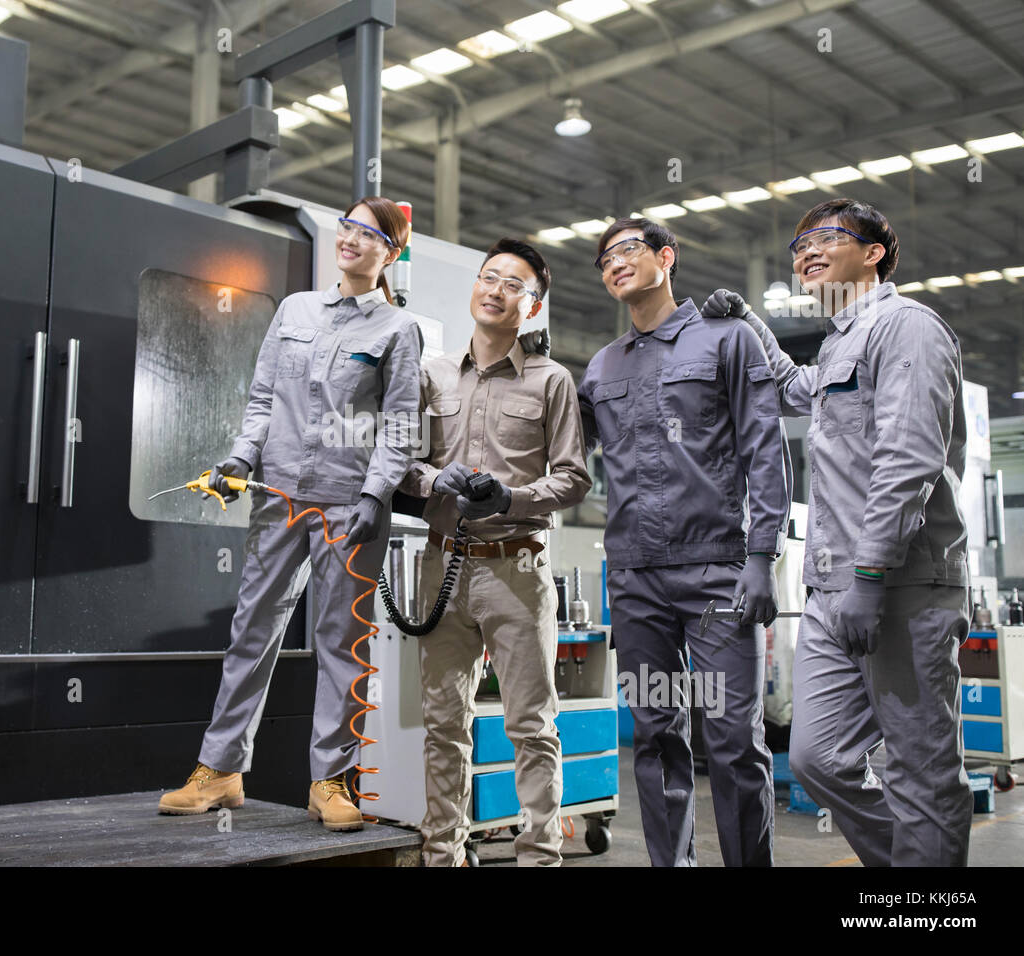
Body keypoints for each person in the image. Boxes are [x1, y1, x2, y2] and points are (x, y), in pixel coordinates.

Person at [701, 197, 973, 866]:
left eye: (824, 238)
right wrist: (752, 324)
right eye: (797, 248)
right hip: (830, 592)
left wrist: (871, 578)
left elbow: (909, 463)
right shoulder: (840, 342)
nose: (805, 253)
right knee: (819, 760)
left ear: (874, 252)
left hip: (901, 586)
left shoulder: (907, 327)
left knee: (921, 769)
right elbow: (795, 386)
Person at [158, 197, 423, 831]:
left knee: (341, 644)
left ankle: (330, 783)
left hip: (348, 504)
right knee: (251, 632)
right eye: (347, 227)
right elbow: (262, 397)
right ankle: (219, 770)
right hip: (277, 496)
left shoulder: (396, 329)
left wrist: (374, 495)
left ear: (390, 252)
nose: (351, 238)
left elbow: (402, 424)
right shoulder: (296, 310)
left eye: (368, 232)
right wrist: (241, 460)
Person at [576, 217, 791, 867]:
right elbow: (560, 455)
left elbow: (765, 447)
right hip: (637, 580)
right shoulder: (601, 365)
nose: (614, 262)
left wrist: (761, 555)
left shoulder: (727, 339)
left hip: (716, 574)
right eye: (603, 256)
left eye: (628, 250)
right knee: (655, 734)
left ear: (665, 258)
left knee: (731, 739)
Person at [399, 238, 591, 866]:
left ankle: (539, 857)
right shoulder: (432, 375)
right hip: (442, 566)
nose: (496, 289)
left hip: (518, 566)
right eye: (489, 277)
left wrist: (509, 498)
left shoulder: (552, 381)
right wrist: (435, 482)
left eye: (514, 284)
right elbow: (402, 465)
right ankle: (442, 857)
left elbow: (572, 478)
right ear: (474, 287)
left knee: (531, 728)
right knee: (443, 724)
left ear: (530, 306)